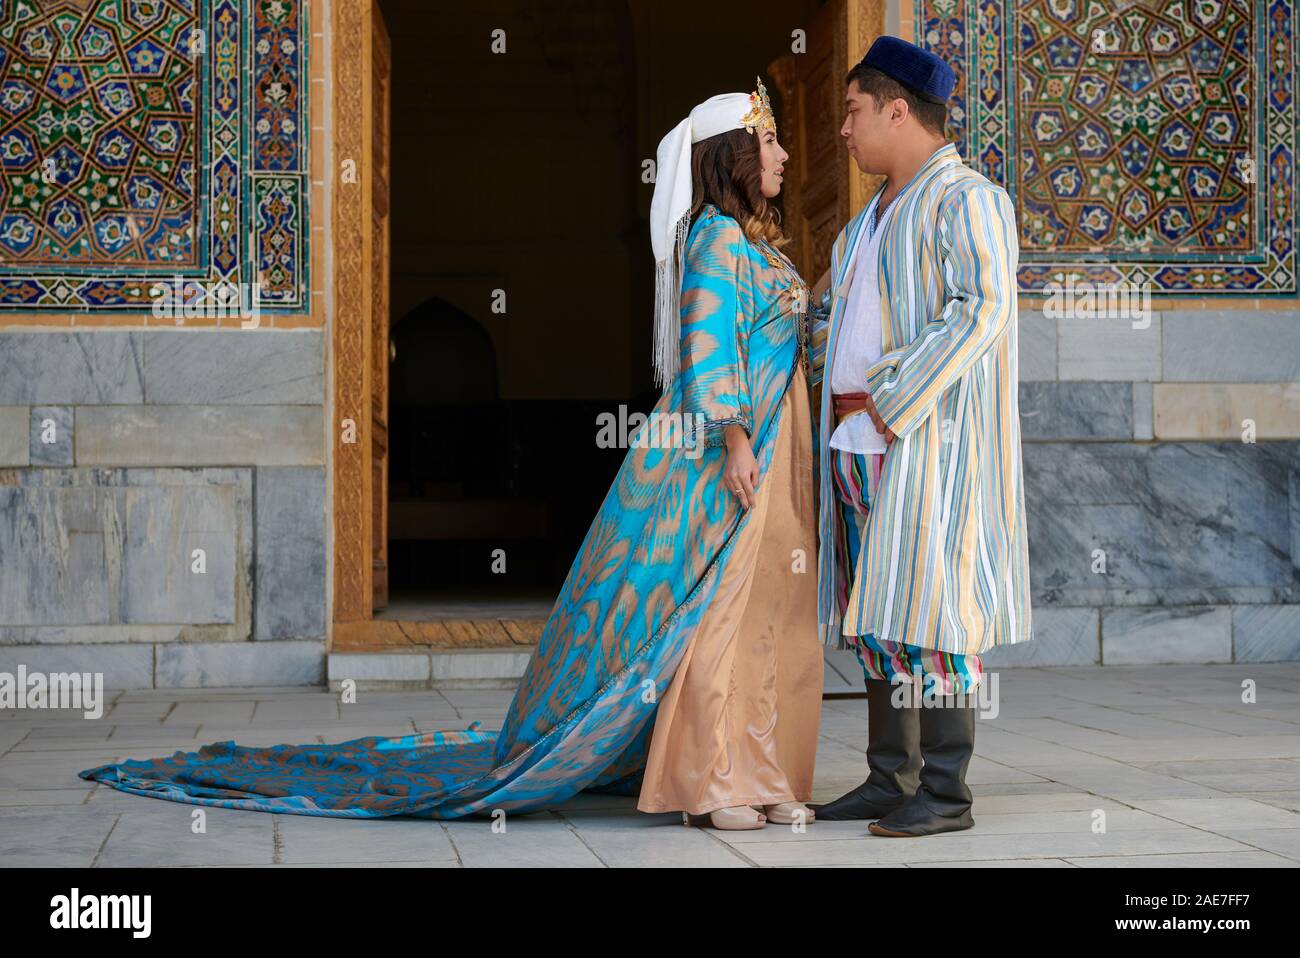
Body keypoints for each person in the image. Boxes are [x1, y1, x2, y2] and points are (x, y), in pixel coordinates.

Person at [80, 79, 823, 832]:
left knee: (770, 609)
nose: (785, 155)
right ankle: (717, 779)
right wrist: (732, 439)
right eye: (768, 141)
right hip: (726, 454)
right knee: (717, 613)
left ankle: (765, 773)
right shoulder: (715, 240)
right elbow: (706, 349)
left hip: (775, 444)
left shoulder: (757, 244)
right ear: (729, 155)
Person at [804, 37, 1032, 837]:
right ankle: (887, 775)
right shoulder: (868, 219)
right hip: (856, 447)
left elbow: (982, 308)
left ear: (898, 110)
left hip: (921, 445)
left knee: (934, 610)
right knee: (877, 614)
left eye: (855, 110)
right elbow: (840, 318)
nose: (844, 129)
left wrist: (891, 401)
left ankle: (945, 789)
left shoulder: (965, 198)